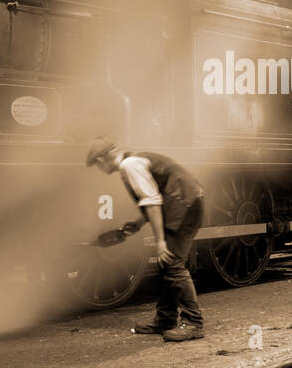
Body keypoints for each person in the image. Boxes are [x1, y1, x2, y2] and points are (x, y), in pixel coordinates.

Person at [86, 138, 206, 341]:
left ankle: (194, 323)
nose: (99, 169)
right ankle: (165, 320)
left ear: (100, 159)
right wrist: (139, 223)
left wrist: (159, 242)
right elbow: (158, 192)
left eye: (97, 165)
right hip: (184, 203)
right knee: (166, 265)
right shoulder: (135, 161)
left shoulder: (129, 165)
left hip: (184, 206)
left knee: (173, 264)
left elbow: (152, 201)